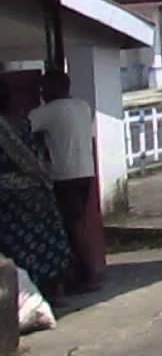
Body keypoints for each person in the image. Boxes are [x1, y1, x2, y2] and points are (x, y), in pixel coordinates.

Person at [29, 70, 102, 293]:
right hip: (86, 171)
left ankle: (88, 275)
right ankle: (84, 273)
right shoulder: (82, 106)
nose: (41, 92)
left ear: (53, 88)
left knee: (73, 226)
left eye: (44, 88)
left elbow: (23, 126)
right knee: (78, 223)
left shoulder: (49, 111)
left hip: (64, 175)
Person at [0, 81, 73, 298]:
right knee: (50, 243)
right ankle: (55, 291)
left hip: (11, 198)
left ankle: (27, 294)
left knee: (19, 249)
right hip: (40, 191)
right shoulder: (21, 122)